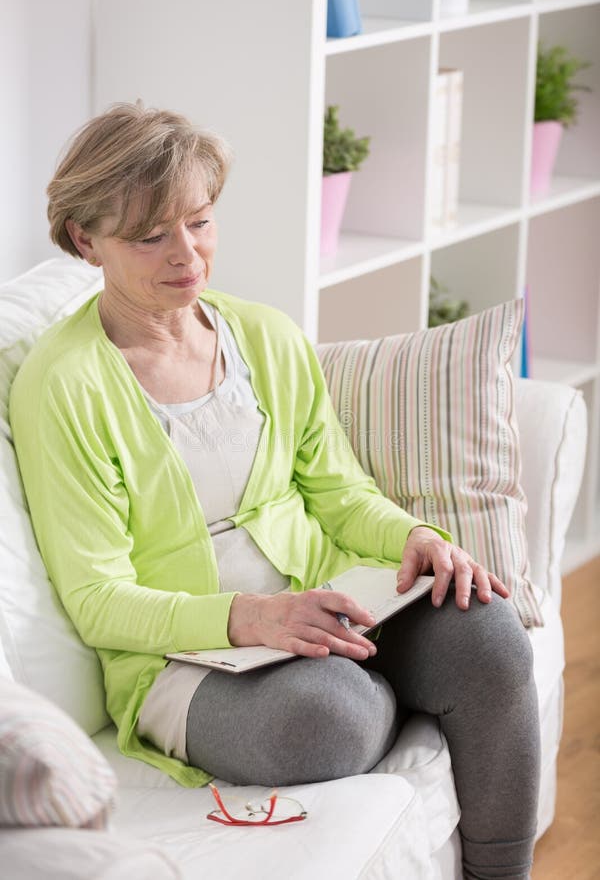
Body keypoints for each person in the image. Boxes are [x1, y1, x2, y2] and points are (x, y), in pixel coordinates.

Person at [9, 103, 540, 880]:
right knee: (326, 719)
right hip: (183, 659)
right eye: (150, 235)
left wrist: (409, 539)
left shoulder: (265, 336)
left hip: (324, 602)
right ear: (86, 240)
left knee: (488, 634)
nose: (186, 254)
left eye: (199, 222)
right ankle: (362, 680)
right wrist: (256, 618)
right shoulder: (62, 385)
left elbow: (337, 492)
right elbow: (98, 598)